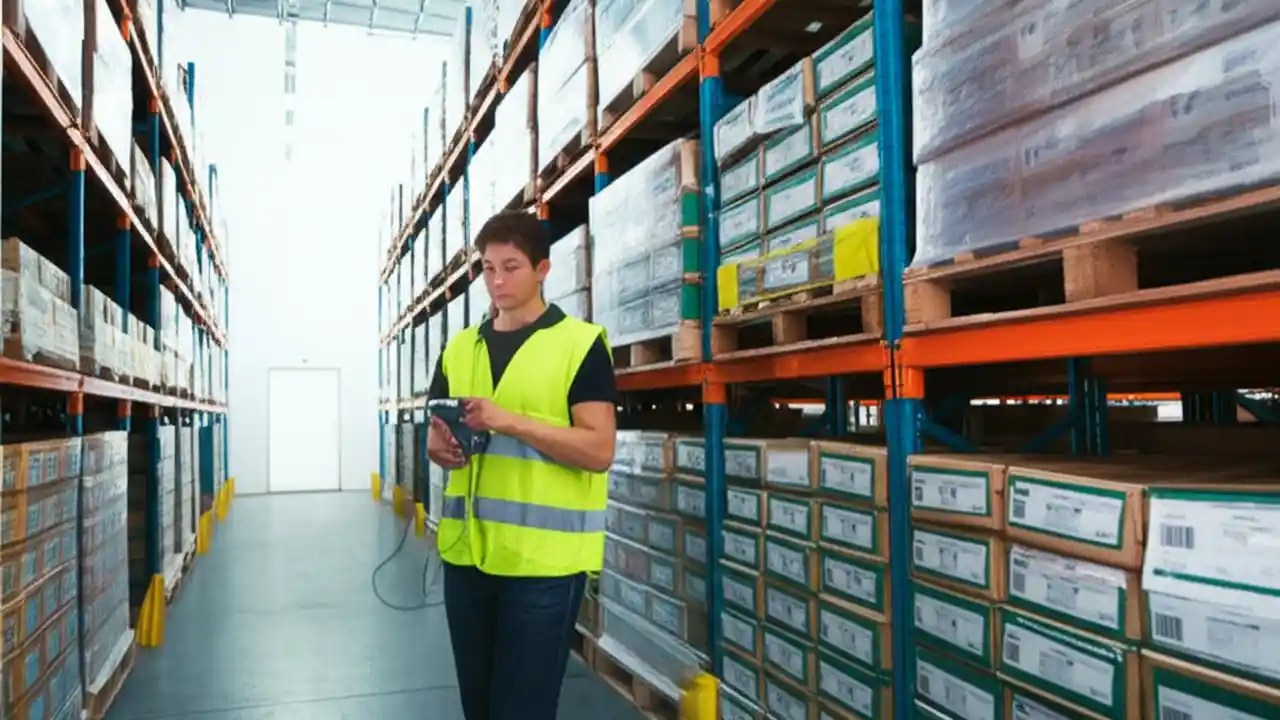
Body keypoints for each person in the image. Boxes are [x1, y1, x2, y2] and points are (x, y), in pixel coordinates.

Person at [425, 210, 617, 720]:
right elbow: (434, 432)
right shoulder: (459, 347)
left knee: (522, 711)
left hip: (542, 569)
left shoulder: (580, 345)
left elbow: (598, 450)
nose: (497, 280)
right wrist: (438, 448)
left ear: (543, 269)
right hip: (467, 560)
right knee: (480, 708)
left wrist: (510, 422)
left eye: (510, 267)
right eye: (487, 268)